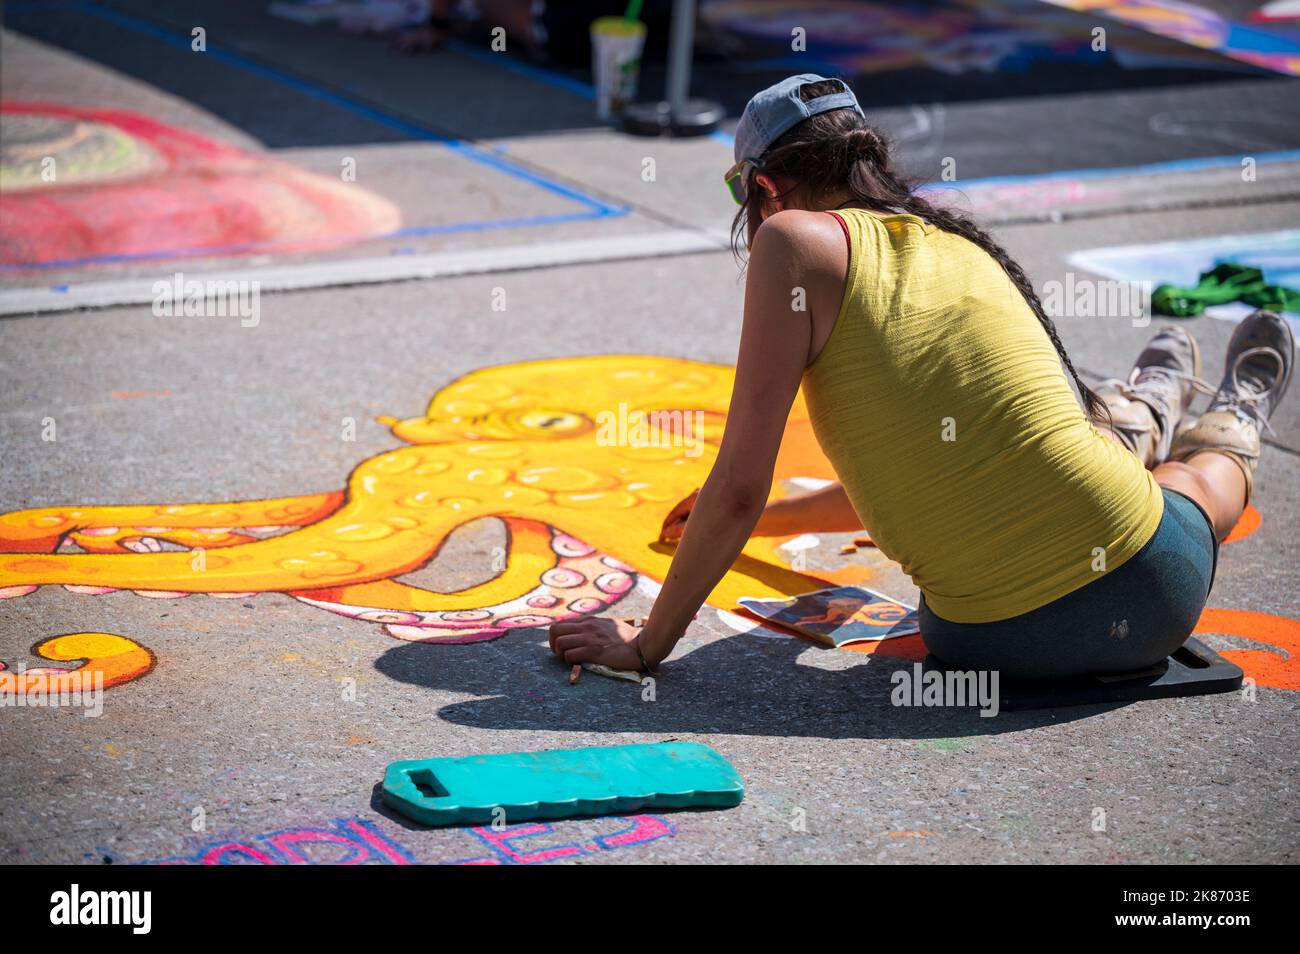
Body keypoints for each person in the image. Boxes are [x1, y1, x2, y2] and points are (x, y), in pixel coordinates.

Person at [549, 73, 1294, 681]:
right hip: (1159, 589)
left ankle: (1182, 415)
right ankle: (1214, 422)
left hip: (996, 644)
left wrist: (646, 646)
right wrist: (770, 522)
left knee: (1149, 468)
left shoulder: (792, 243)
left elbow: (739, 484)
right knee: (1190, 486)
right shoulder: (958, 246)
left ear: (764, 189)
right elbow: (924, 471)